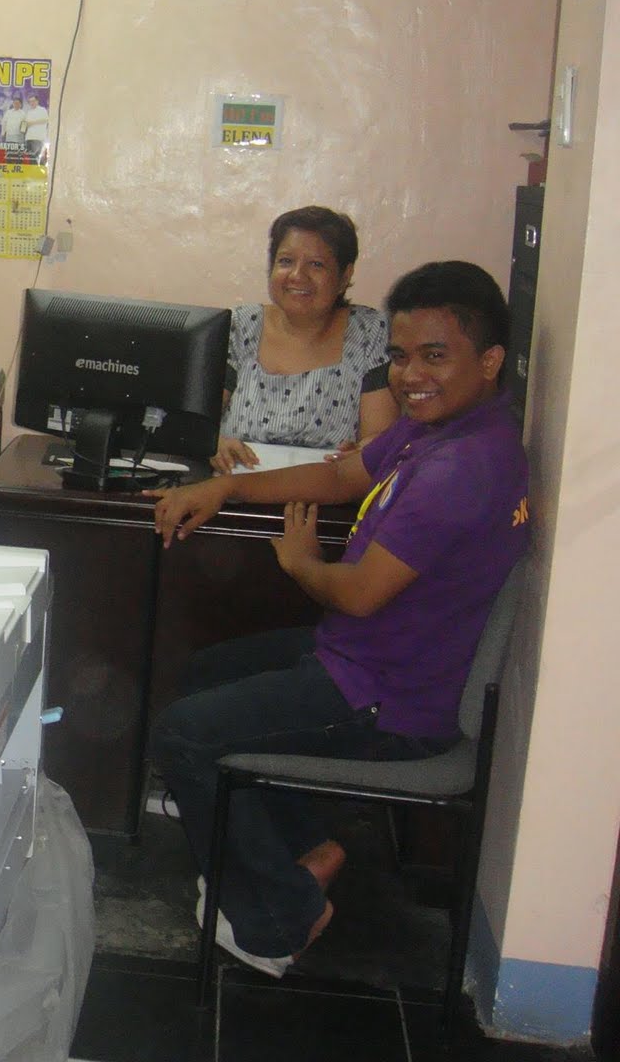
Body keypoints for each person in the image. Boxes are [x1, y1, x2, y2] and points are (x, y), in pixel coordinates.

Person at [145, 260, 529, 979]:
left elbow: (356, 594)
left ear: (490, 360)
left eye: (434, 357)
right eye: (401, 356)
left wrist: (298, 565)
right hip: (371, 659)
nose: (411, 375)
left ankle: (281, 913)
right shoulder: (441, 428)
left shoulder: (462, 468)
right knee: (205, 673)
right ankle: (302, 849)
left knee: (183, 736)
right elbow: (346, 474)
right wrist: (226, 485)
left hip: (392, 701)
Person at [211, 206, 398, 473]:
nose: (297, 275)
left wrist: (361, 452)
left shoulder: (370, 332)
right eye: (286, 261)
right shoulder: (242, 325)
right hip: (235, 495)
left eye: (316, 264)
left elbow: (379, 437)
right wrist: (214, 443)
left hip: (326, 497)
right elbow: (199, 423)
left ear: (345, 276)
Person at [21, 94, 50, 160]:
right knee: (30, 158)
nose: (32, 103)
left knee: (36, 158)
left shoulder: (42, 110)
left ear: (37, 101)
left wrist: (32, 123)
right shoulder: (28, 112)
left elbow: (45, 120)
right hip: (29, 138)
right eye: (30, 101)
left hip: (38, 138)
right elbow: (25, 124)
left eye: (33, 101)